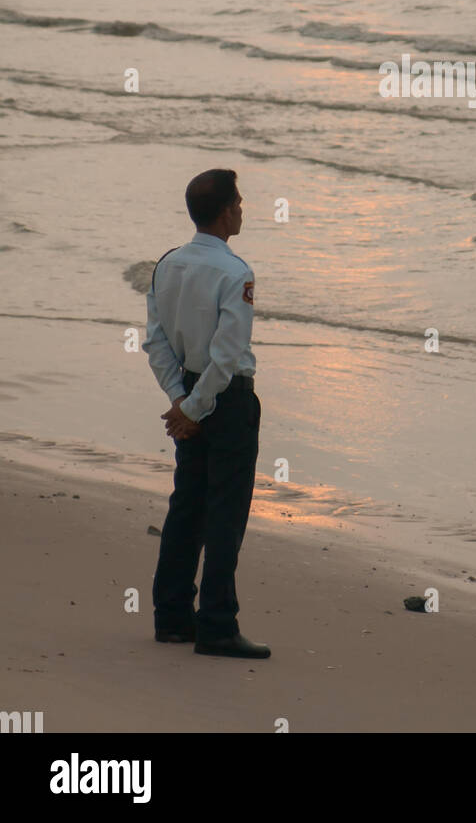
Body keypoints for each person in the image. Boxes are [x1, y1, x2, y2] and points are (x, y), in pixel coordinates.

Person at [143, 168, 270, 659]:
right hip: (227, 398)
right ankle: (217, 623)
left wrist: (180, 401)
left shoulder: (168, 263)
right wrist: (194, 408)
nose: (242, 209)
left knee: (187, 507)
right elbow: (227, 353)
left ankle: (172, 617)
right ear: (224, 212)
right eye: (238, 202)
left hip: (189, 393)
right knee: (224, 512)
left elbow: (156, 341)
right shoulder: (235, 272)